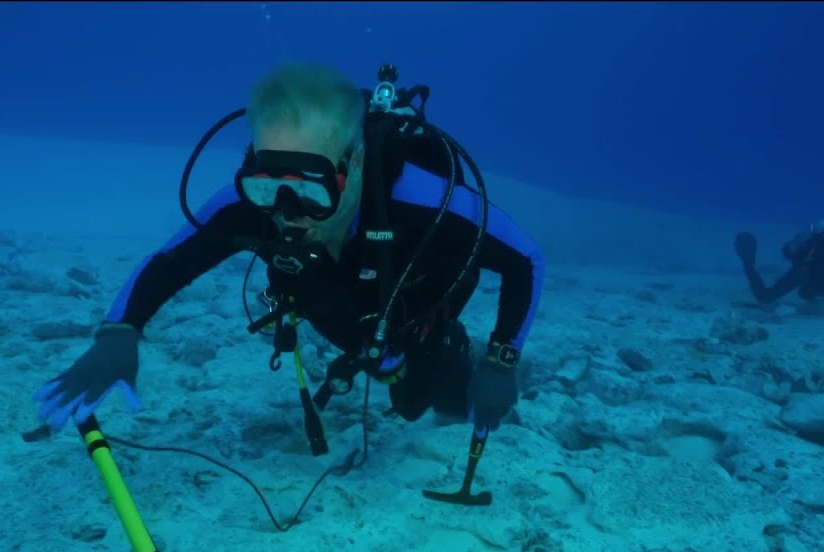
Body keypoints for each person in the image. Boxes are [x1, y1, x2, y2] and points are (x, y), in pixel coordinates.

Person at [33, 62, 544, 442]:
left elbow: (526, 261)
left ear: (357, 163)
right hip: (331, 298)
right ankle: (381, 357)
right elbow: (171, 262)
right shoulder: (251, 198)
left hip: (416, 303)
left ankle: (447, 348)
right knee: (366, 348)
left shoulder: (431, 203)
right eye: (266, 183)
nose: (285, 209)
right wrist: (120, 331)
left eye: (310, 188)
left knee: (418, 405)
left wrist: (501, 362)